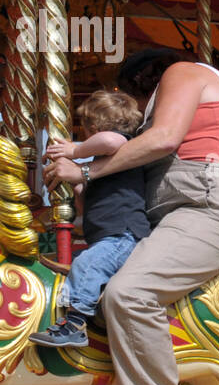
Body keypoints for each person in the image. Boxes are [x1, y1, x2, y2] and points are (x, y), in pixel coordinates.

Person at [44, 49, 219, 385]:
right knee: (97, 291)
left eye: (132, 103)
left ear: (141, 80)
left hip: (207, 205)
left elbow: (163, 138)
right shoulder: (175, 90)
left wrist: (85, 171)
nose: (135, 118)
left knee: (130, 293)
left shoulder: (184, 72)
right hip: (179, 213)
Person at [31, 90, 149, 349]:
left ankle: (74, 325)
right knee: (79, 265)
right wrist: (76, 186)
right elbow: (89, 206)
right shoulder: (104, 164)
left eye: (85, 133)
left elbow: (110, 141)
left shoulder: (123, 145)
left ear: (93, 128)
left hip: (122, 236)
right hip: (110, 236)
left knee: (85, 266)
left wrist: (75, 150)